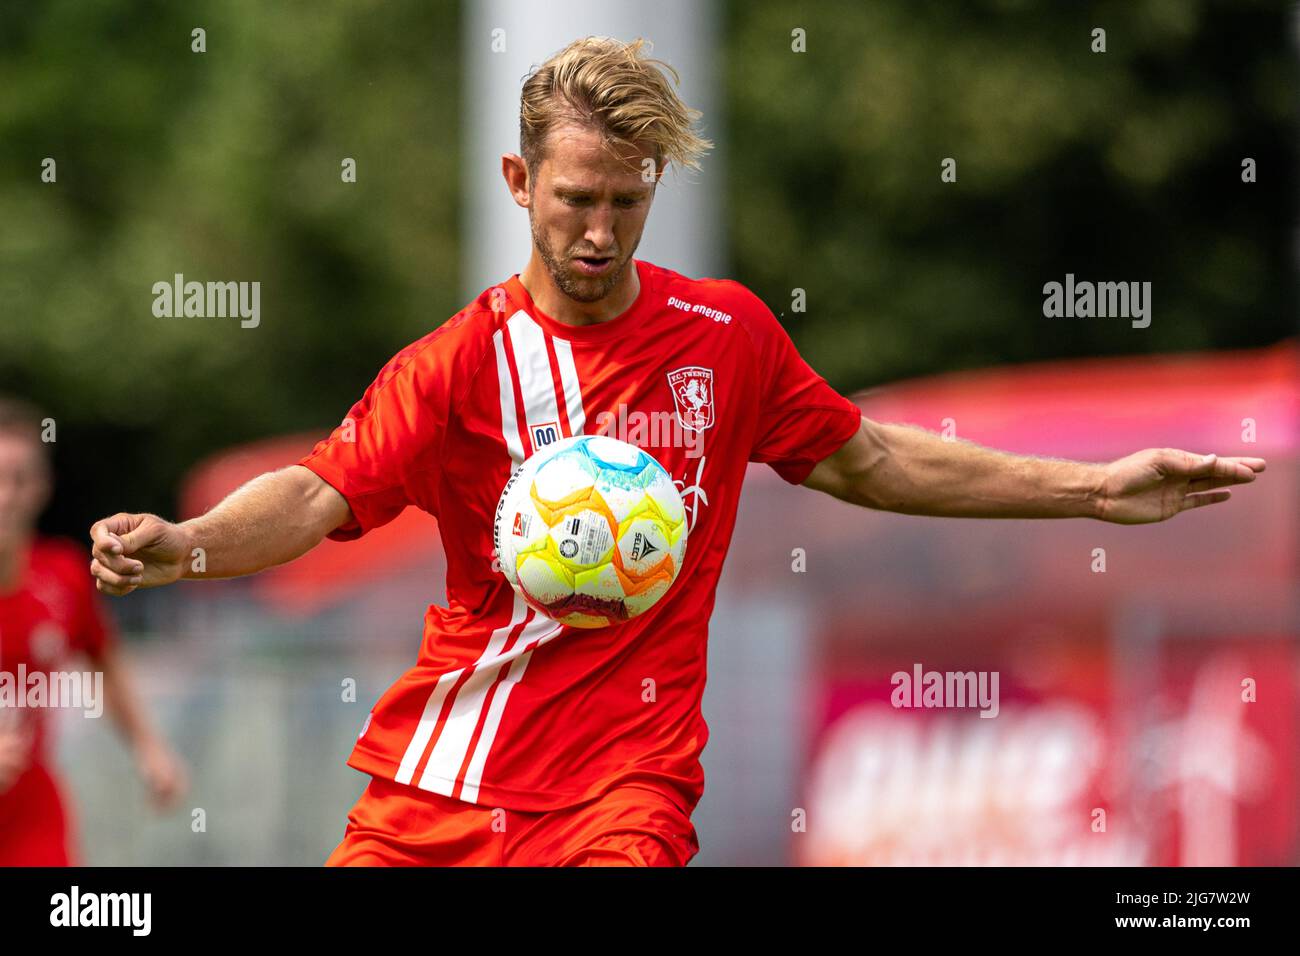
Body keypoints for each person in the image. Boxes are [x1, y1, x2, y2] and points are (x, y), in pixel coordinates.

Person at [87, 36, 1265, 866]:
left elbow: (871, 460)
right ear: (519, 182)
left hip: (625, 786)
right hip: (439, 782)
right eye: (575, 199)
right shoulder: (456, 364)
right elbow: (313, 491)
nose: (599, 232)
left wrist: (1093, 488)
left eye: (627, 202)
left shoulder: (728, 336)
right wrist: (189, 544)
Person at [0, 397, 186, 866]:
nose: (4, 495)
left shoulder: (61, 576)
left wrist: (149, 747)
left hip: (32, 819)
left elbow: (103, 660)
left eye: (18, 479)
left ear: (43, 487)